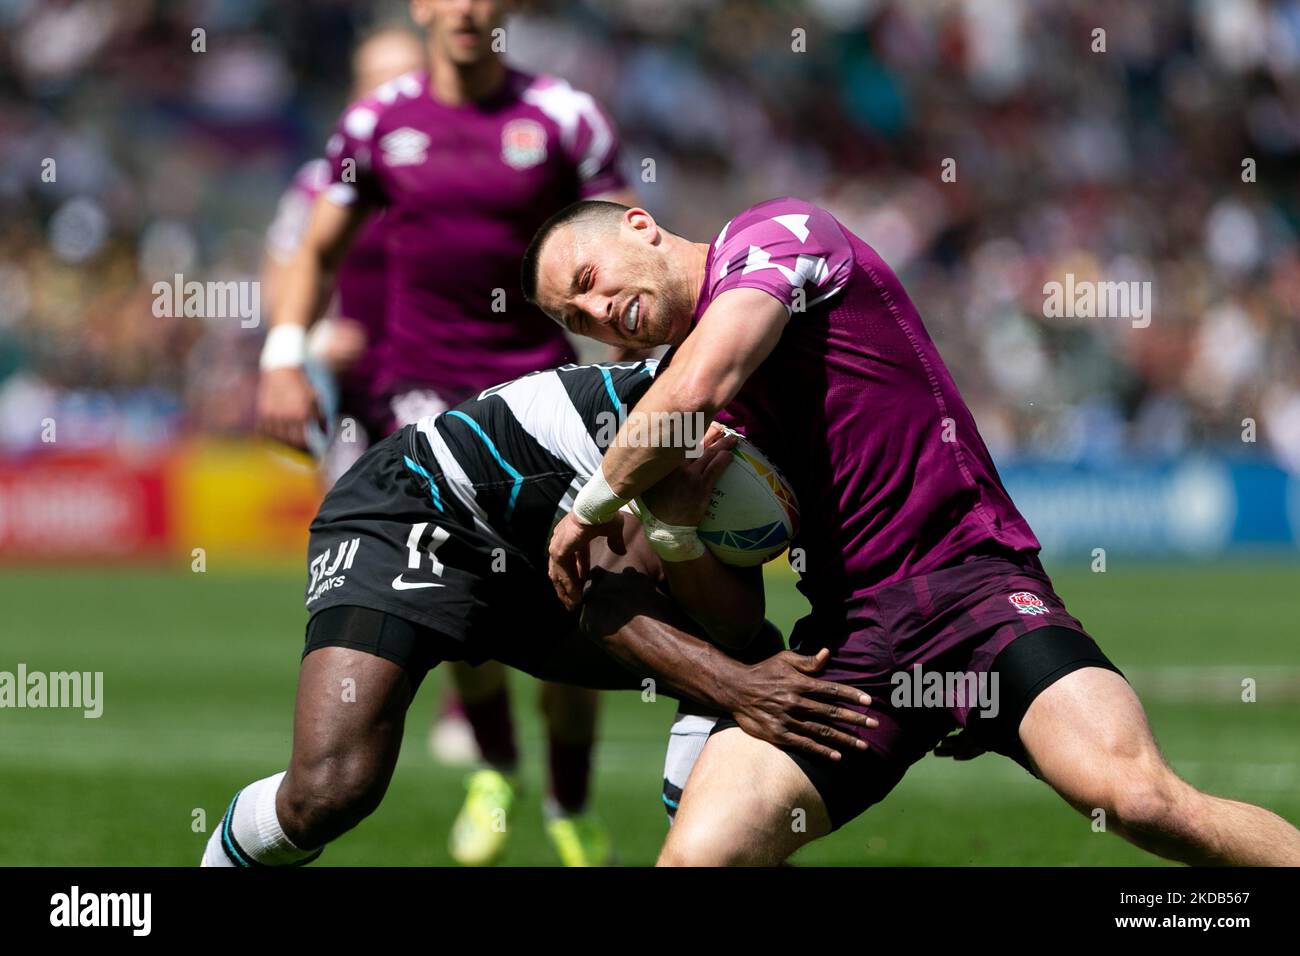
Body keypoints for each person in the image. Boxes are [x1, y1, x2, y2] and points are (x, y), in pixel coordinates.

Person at [524, 196, 1300, 866]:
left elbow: (704, 382)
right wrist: (676, 536)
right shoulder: (660, 420)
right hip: (851, 642)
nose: (595, 314)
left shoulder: (777, 237)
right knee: (703, 852)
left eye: (589, 283)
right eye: (572, 317)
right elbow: (733, 619)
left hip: (981, 591)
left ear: (641, 226)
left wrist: (585, 511)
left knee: (1139, 801)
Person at [201, 358, 875, 868]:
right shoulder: (667, 419)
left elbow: (729, 627)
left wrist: (680, 543)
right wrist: (741, 686)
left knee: (744, 662)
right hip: (418, 515)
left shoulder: (780, 444)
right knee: (329, 791)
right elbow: (608, 599)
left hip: (541, 568)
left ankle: (700, 853)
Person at [256, 0, 639, 866]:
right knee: (464, 607)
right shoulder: (377, 122)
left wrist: (647, 377)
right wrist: (284, 355)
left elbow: (627, 245)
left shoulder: (563, 117)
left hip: (544, 398)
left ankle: (570, 800)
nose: (466, 7)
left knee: (589, 599)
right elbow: (311, 248)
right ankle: (496, 767)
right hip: (424, 405)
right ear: (424, 7)